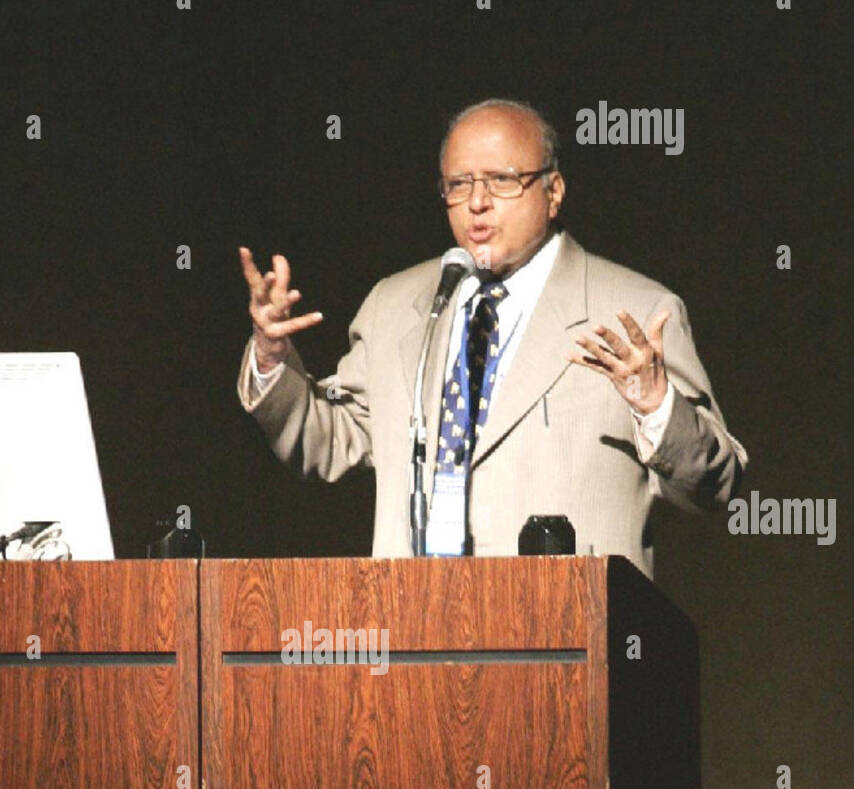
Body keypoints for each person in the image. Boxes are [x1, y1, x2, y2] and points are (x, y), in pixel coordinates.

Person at [237, 98, 747, 577]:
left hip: (567, 641)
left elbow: (715, 488)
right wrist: (271, 356)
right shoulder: (394, 306)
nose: (477, 203)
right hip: (411, 632)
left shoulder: (634, 310)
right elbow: (327, 442)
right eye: (459, 184)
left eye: (503, 180)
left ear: (554, 191)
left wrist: (656, 407)